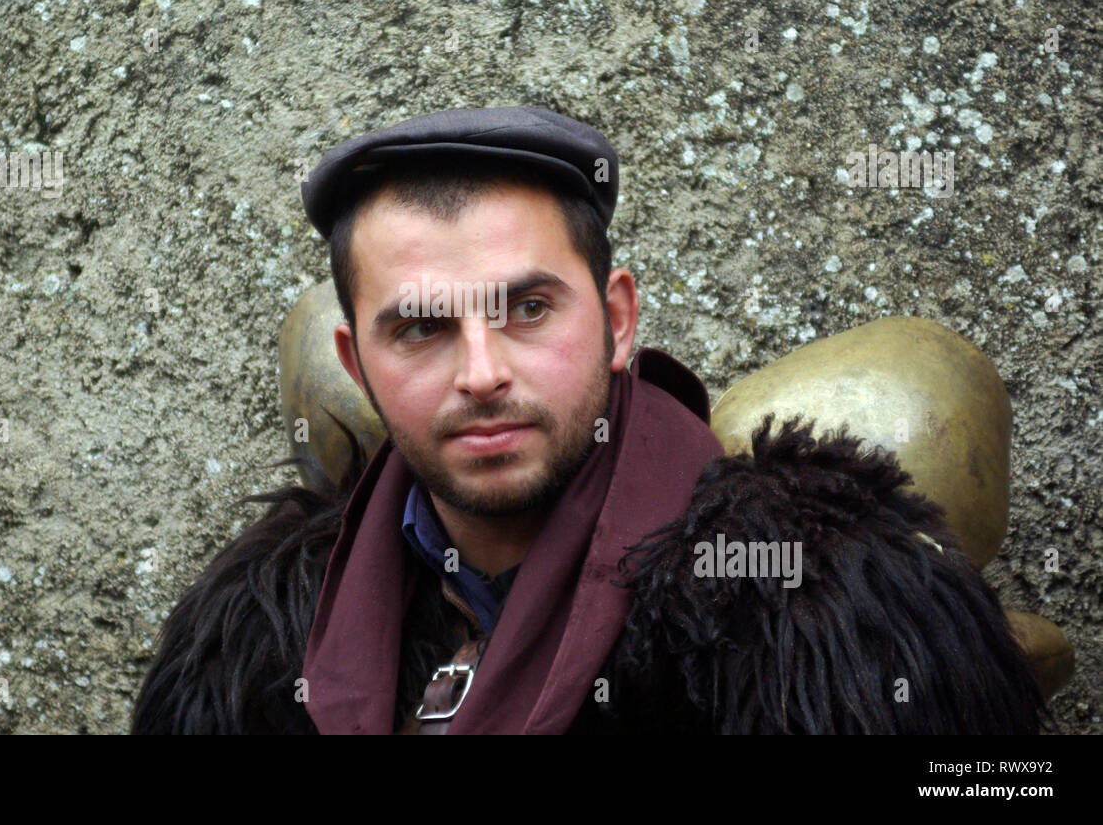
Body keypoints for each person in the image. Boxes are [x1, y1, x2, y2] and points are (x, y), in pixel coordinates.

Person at [132, 106, 1048, 735]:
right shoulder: (256, 639)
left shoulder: (824, 605)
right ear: (355, 367)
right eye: (419, 328)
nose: (482, 375)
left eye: (528, 311)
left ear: (616, 321)